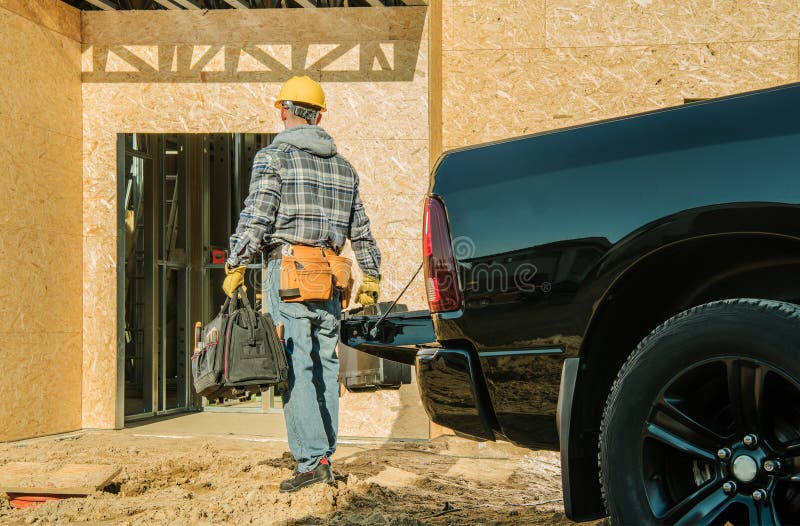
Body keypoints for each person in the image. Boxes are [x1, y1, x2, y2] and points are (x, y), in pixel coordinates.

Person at [222, 76, 381, 493]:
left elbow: (258, 215)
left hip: (290, 272)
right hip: (331, 277)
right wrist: (372, 274)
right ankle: (324, 452)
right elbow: (361, 229)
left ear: (284, 111)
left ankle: (311, 462)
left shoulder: (273, 157)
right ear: (321, 115)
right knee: (326, 366)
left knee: (296, 367)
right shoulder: (345, 167)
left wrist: (237, 260)